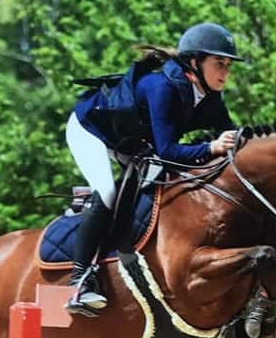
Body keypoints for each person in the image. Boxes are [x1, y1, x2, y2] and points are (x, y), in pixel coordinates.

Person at [65, 22, 245, 316]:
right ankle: (79, 280)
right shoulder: (163, 88)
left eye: (228, 65)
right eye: (219, 63)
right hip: (90, 130)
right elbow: (167, 152)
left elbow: (233, 137)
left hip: (130, 139)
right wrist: (211, 147)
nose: (225, 72)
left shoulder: (211, 98)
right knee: (107, 192)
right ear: (195, 62)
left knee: (154, 184)